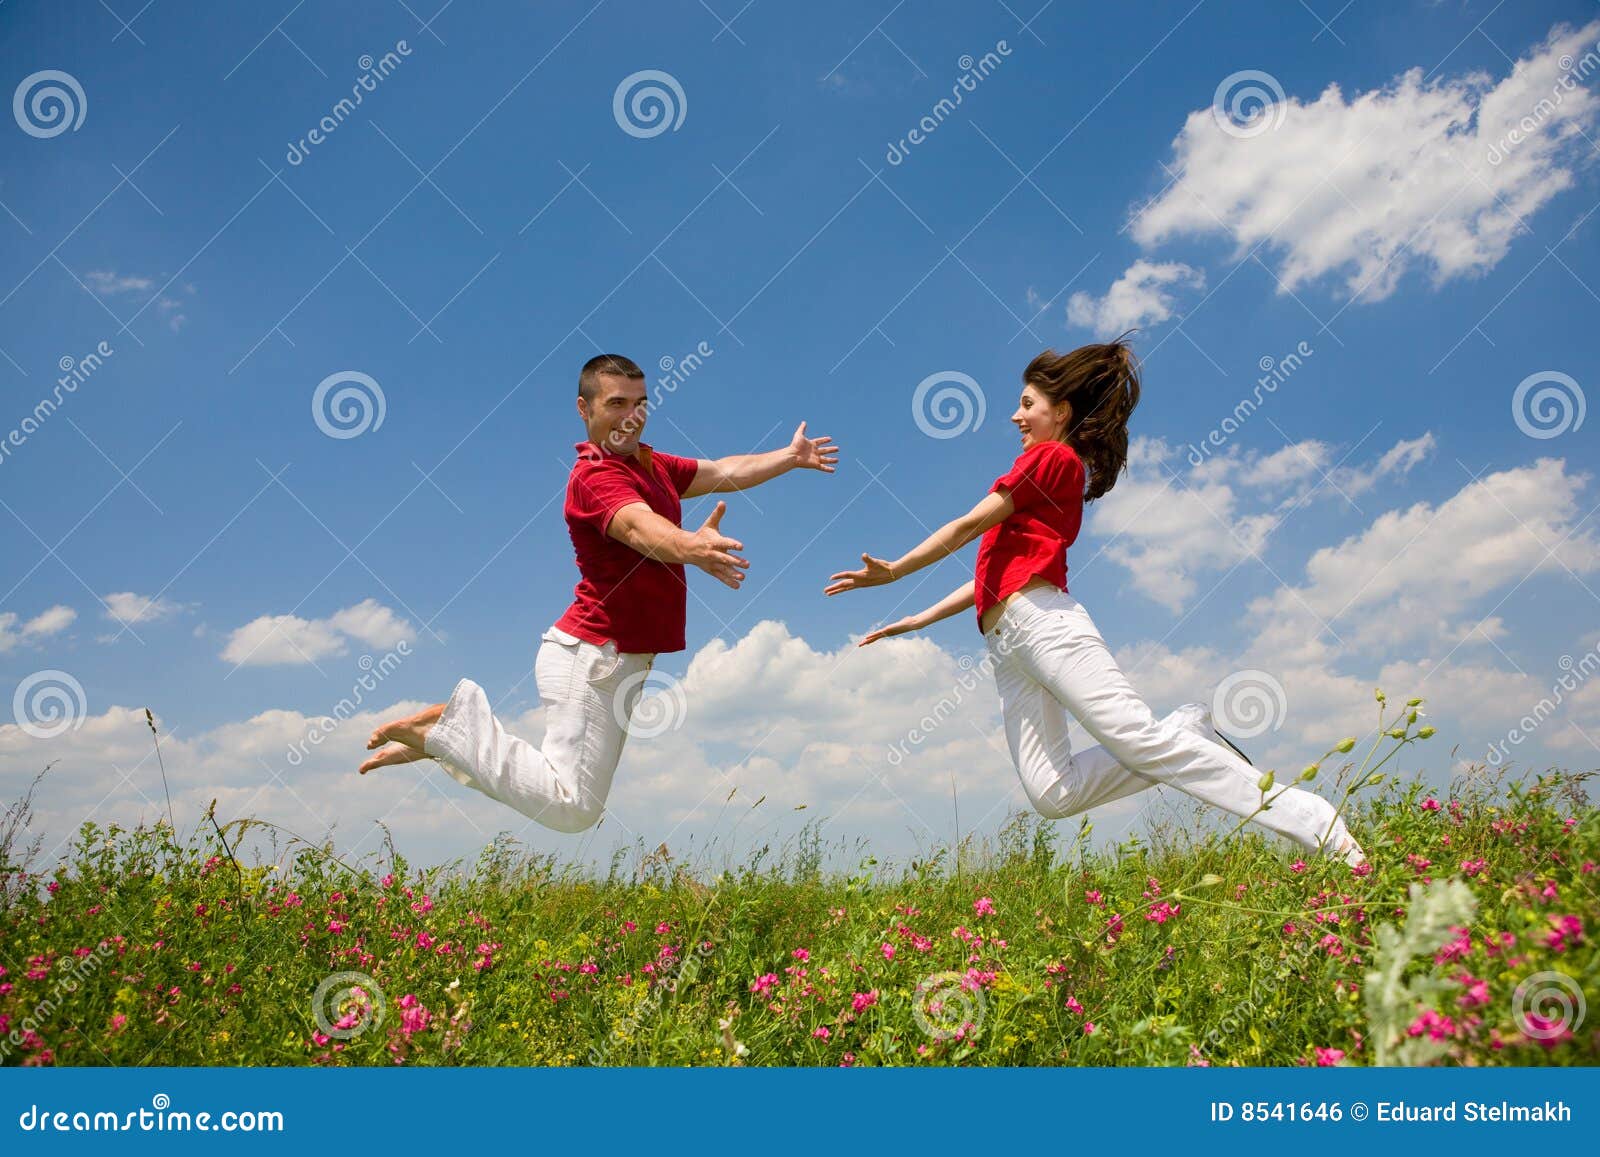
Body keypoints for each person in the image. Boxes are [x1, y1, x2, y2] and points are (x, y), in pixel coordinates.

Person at [825, 337, 1366, 867]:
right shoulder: (1038, 483)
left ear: (1060, 413)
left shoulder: (1051, 459)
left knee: (1135, 738)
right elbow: (986, 579)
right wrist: (917, 619)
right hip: (1007, 641)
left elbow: (967, 525)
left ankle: (1318, 826)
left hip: (1043, 624)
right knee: (1053, 794)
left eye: (1027, 404)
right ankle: (1182, 732)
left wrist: (896, 570)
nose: (1016, 416)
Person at [359, 353, 838, 832]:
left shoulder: (650, 464)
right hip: (593, 657)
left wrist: (789, 458)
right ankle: (449, 728)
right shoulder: (596, 476)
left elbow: (722, 471)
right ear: (584, 409)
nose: (631, 415)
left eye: (641, 403)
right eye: (616, 403)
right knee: (572, 810)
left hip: (617, 660)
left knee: (573, 803)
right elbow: (639, 527)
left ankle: (444, 734)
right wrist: (690, 545)